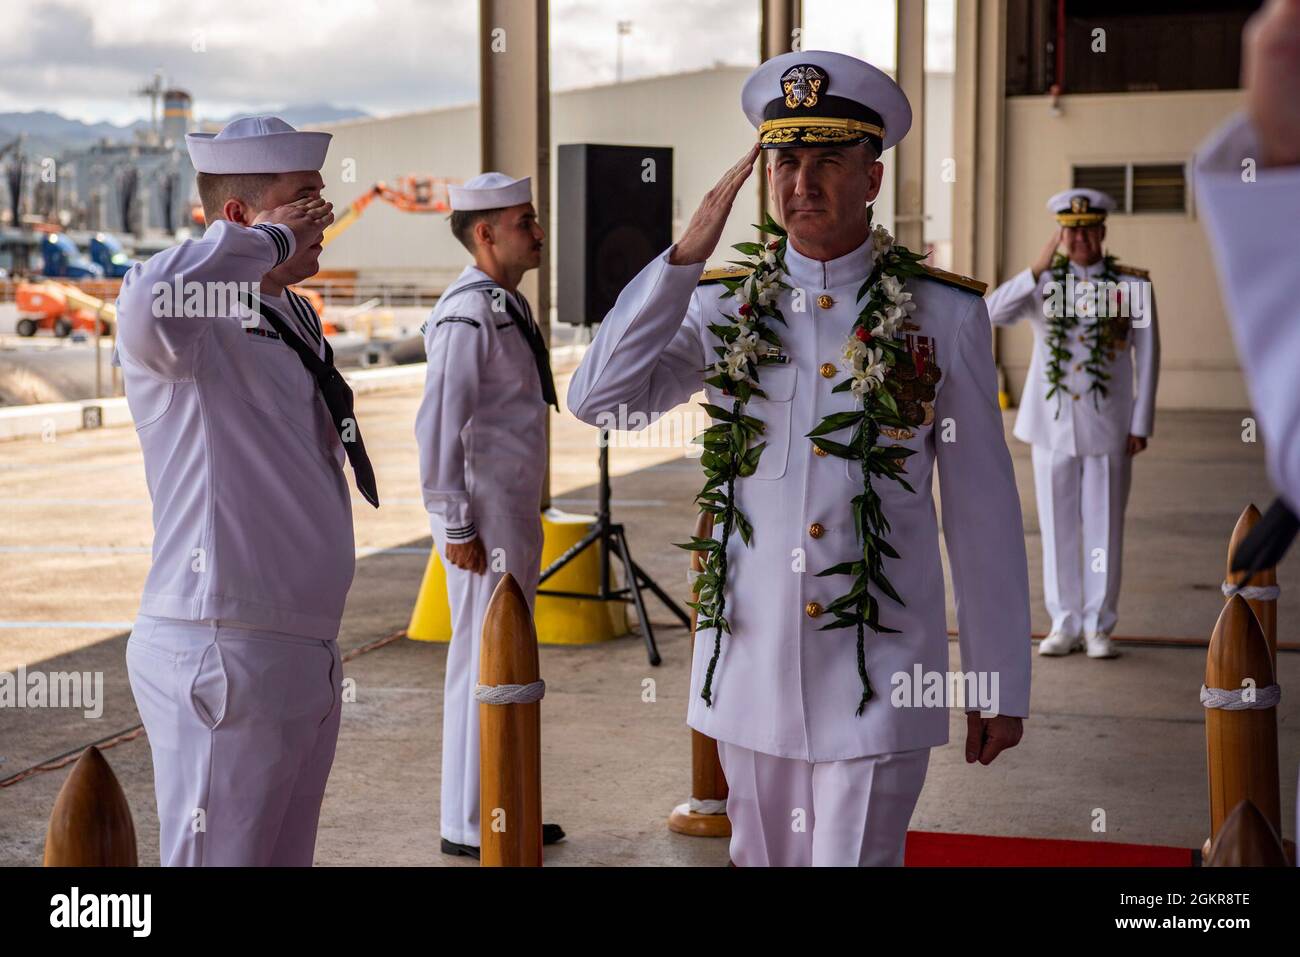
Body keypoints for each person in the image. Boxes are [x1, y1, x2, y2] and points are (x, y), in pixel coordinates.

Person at [567, 51, 1031, 867]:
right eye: (784, 161)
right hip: (753, 667)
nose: (801, 182)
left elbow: (982, 515)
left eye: (827, 161)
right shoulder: (720, 304)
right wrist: (682, 258)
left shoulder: (943, 313)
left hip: (880, 667)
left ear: (872, 178)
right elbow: (599, 398)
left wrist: (996, 679)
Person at [116, 115, 378, 865]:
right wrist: (270, 240)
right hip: (223, 647)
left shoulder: (289, 311)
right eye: (304, 201)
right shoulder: (192, 321)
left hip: (300, 646)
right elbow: (147, 301)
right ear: (239, 217)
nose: (322, 217)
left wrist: (274, 243)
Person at [414, 172, 564, 858]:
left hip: (510, 510)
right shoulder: (467, 313)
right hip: (483, 517)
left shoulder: (506, 304)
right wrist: (455, 522)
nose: (538, 232)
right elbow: (438, 424)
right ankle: (474, 822)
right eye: (524, 222)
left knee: (506, 657)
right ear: (485, 233)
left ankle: (507, 803)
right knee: (483, 658)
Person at [984, 189, 1160, 659]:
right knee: (1057, 529)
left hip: (1110, 426)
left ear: (1102, 231)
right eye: (1070, 231)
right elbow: (989, 313)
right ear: (1060, 236)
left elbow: (1149, 356)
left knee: (1105, 530)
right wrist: (1035, 269)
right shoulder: (1042, 285)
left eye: (1087, 230)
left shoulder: (1132, 286)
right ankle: (1063, 623)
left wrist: (1141, 421)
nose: (1080, 239)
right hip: (1053, 426)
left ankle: (1099, 625)